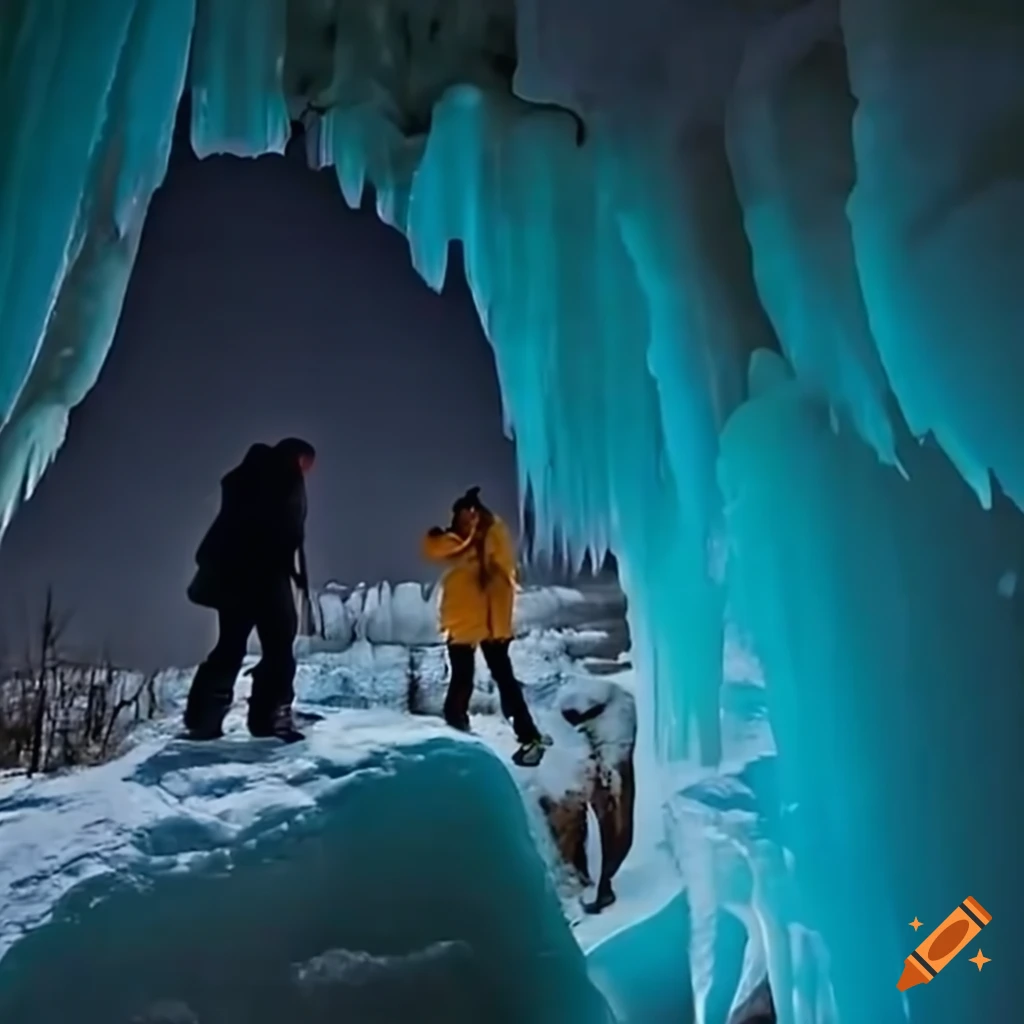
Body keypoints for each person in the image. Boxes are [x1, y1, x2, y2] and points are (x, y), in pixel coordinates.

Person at [183, 437, 316, 743]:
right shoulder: (281, 478)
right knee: (280, 644)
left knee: (230, 644)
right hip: (264, 575)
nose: (307, 472)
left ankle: (203, 719)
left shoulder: (249, 477)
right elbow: (278, 529)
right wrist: (287, 566)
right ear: (297, 458)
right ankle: (270, 718)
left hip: (234, 577)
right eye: (307, 464)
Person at [422, 486, 547, 767]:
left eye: (472, 514)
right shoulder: (453, 542)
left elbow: (502, 556)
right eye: (464, 515)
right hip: (464, 623)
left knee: (504, 680)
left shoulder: (493, 537)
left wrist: (486, 525)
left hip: (492, 623)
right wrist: (473, 536)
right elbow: (435, 547)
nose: (469, 520)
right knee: (463, 678)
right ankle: (456, 730)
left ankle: (527, 734)